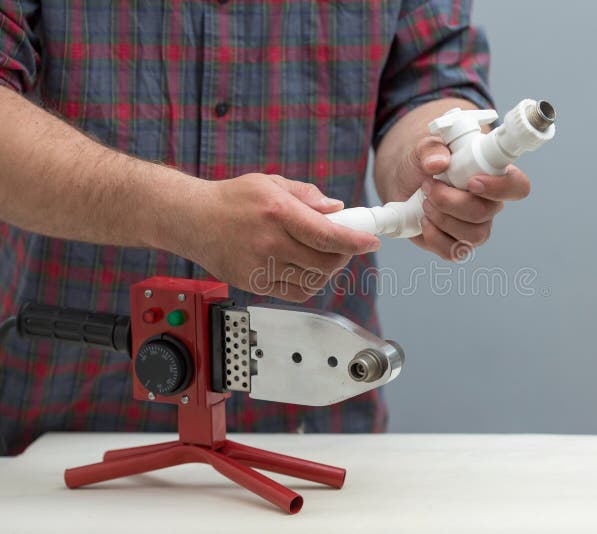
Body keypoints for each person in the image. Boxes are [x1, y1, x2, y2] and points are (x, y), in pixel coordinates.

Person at [0, 0, 531, 455]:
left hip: (314, 421)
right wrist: (183, 214)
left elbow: (427, 81)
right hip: (51, 421)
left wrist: (429, 163)